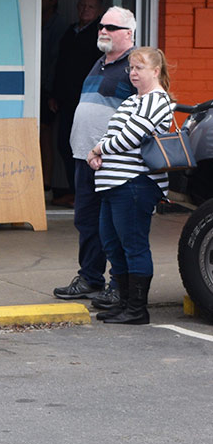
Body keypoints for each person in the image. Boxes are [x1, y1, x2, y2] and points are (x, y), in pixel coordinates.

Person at [53, 5, 138, 309]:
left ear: (128, 33)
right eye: (102, 26)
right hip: (84, 156)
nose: (103, 31)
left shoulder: (135, 66)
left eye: (110, 27)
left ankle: (119, 285)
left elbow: (146, 112)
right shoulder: (99, 62)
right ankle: (90, 278)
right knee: (87, 221)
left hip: (113, 160)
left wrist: (113, 149)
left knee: (115, 226)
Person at [87, 47, 174, 326]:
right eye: (131, 68)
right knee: (113, 245)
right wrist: (96, 154)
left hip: (135, 184)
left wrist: (98, 149)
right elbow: (113, 133)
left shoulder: (156, 100)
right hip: (113, 185)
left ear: (156, 71)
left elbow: (131, 137)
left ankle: (137, 309)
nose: (133, 73)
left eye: (139, 68)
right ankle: (124, 303)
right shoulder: (131, 101)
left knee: (133, 246)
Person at [50, 0, 106, 205]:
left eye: (90, 6)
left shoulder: (100, 35)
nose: (85, 10)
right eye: (82, 5)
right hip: (67, 100)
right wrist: (54, 94)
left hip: (88, 101)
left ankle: (84, 194)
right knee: (65, 144)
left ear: (99, 11)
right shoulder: (70, 31)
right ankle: (75, 191)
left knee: (84, 146)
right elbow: (60, 65)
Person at [39, 0, 70, 198]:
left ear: (53, 1)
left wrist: (51, 91)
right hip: (38, 85)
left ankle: (46, 185)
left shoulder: (59, 26)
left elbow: (55, 61)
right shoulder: (37, 21)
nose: (39, 0)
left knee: (45, 133)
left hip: (47, 87)